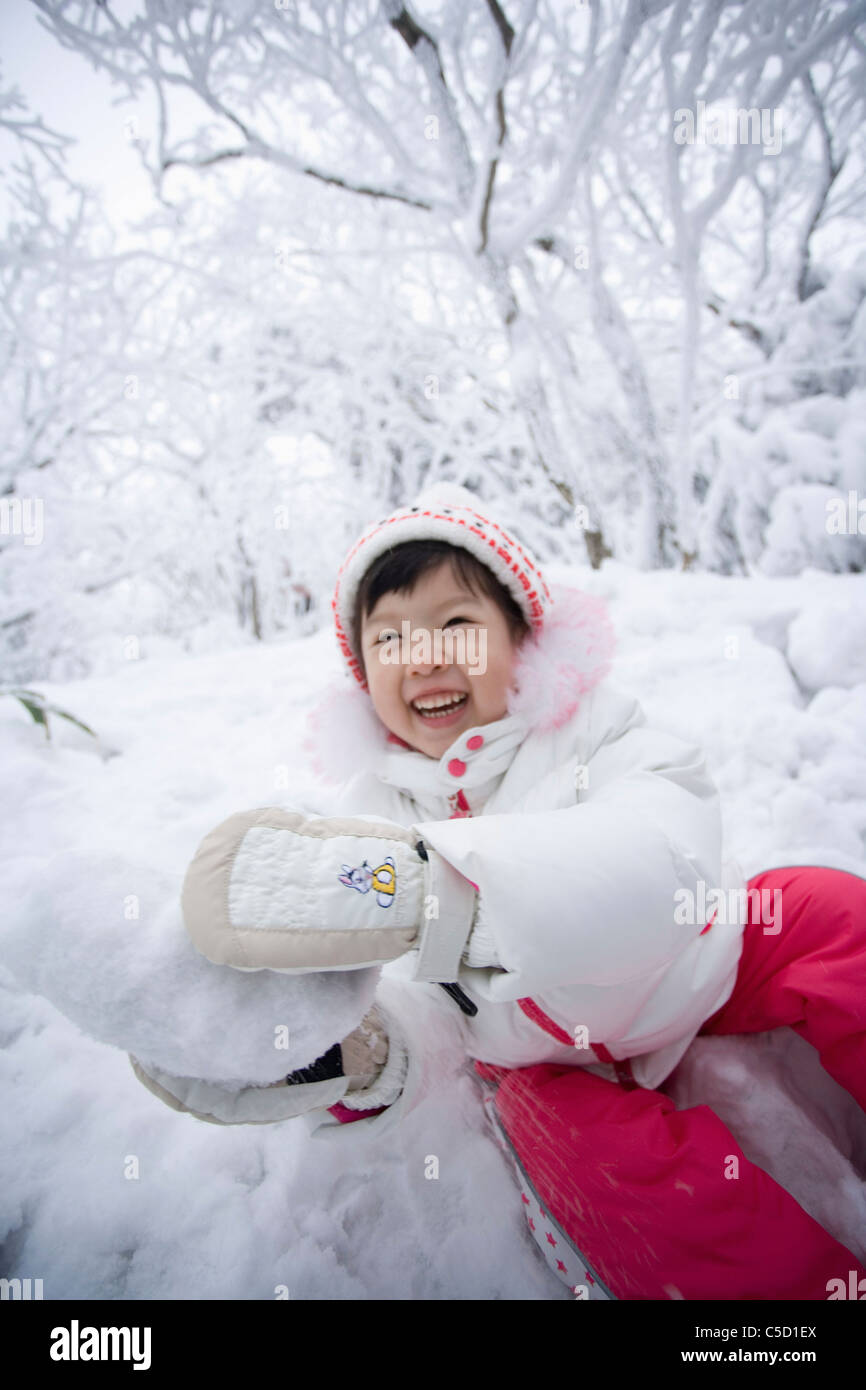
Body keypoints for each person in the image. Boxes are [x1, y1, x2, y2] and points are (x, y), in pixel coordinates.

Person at [131, 483, 866, 1300]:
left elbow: (664, 859)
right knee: (575, 1151)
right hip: (541, 1058)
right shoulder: (370, 824)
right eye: (391, 638)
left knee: (834, 912)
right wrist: (355, 1049)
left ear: (523, 640)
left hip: (698, 962)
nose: (425, 656)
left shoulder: (599, 730)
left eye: (455, 625)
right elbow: (419, 1003)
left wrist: (441, 893)